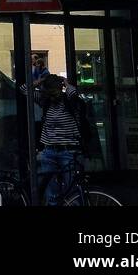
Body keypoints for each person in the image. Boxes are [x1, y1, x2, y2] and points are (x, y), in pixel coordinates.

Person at [34, 74, 88, 205]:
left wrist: (65, 83)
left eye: (55, 92)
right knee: (52, 194)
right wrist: (41, 81)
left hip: (68, 151)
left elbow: (73, 94)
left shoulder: (69, 102)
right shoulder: (46, 103)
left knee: (73, 190)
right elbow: (24, 89)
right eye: (50, 93)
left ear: (60, 89)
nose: (53, 96)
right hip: (49, 151)